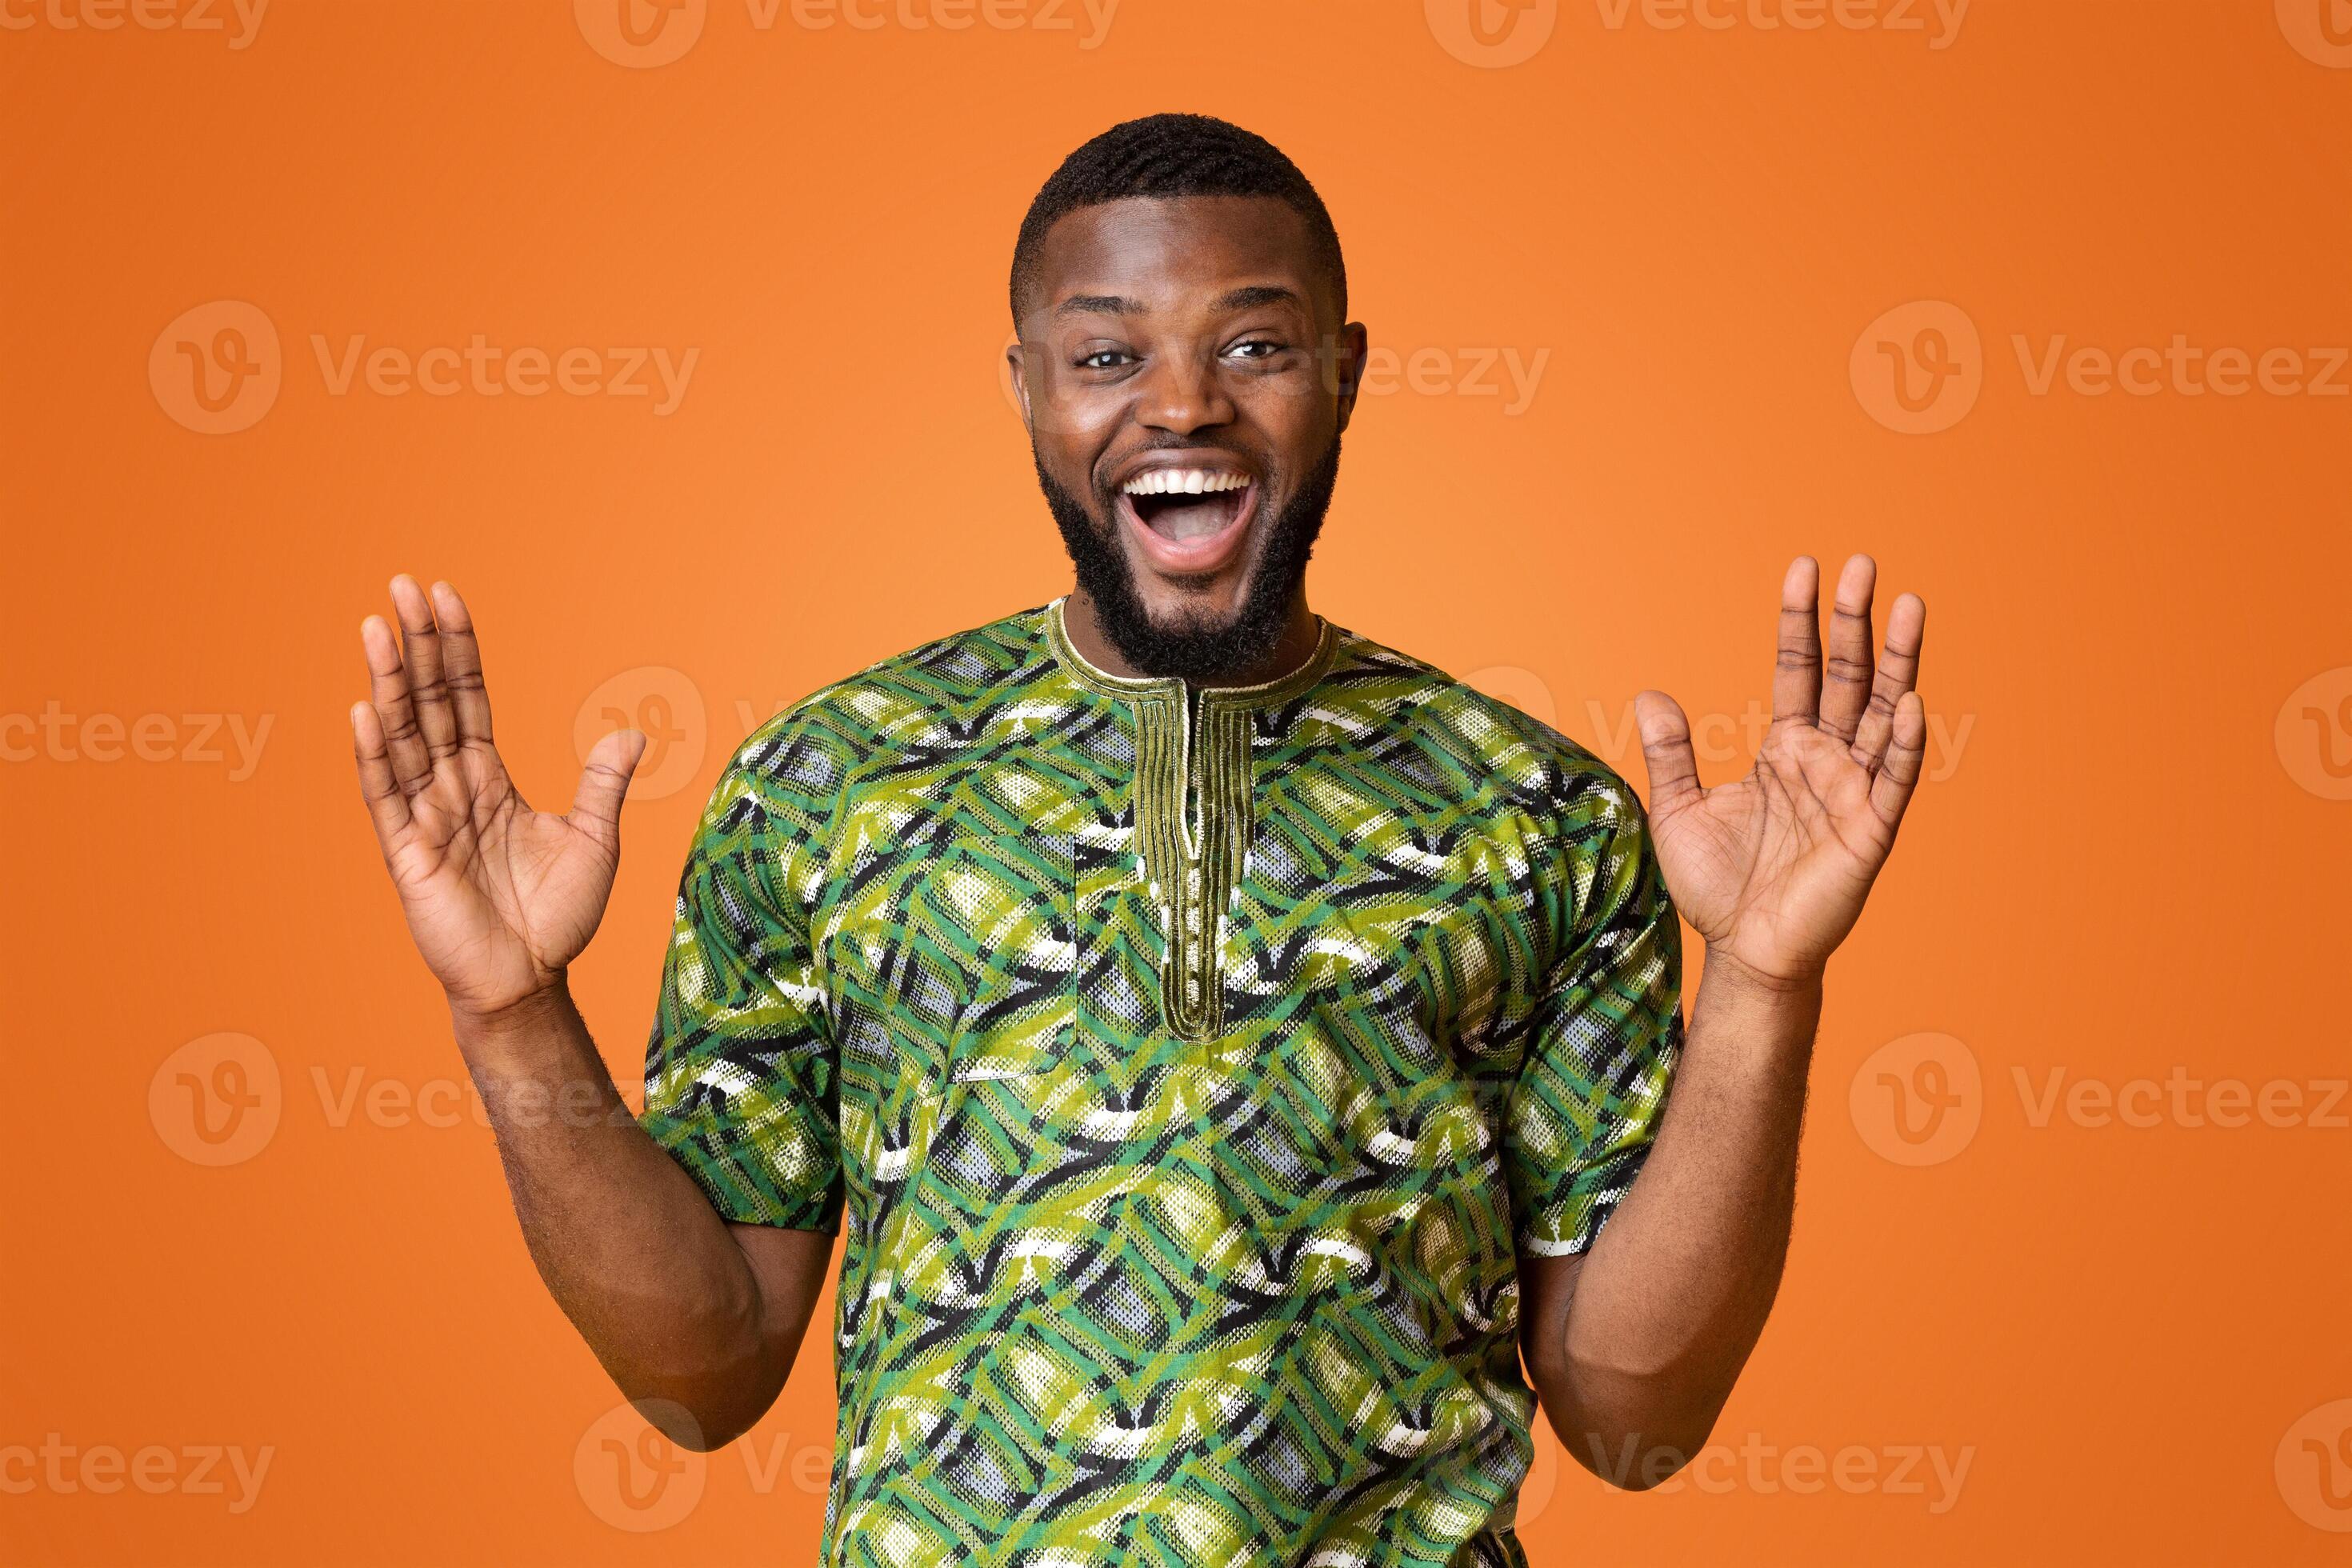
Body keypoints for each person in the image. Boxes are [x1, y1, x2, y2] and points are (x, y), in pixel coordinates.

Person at [348, 114, 1930, 1568]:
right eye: (1107, 355)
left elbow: (1631, 1413)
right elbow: (704, 1375)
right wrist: (509, 1008)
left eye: (1256, 344)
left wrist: (1766, 979)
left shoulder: (1537, 810)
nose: (1183, 403)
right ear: (1028, 386)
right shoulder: (827, 784)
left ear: (1347, 374)